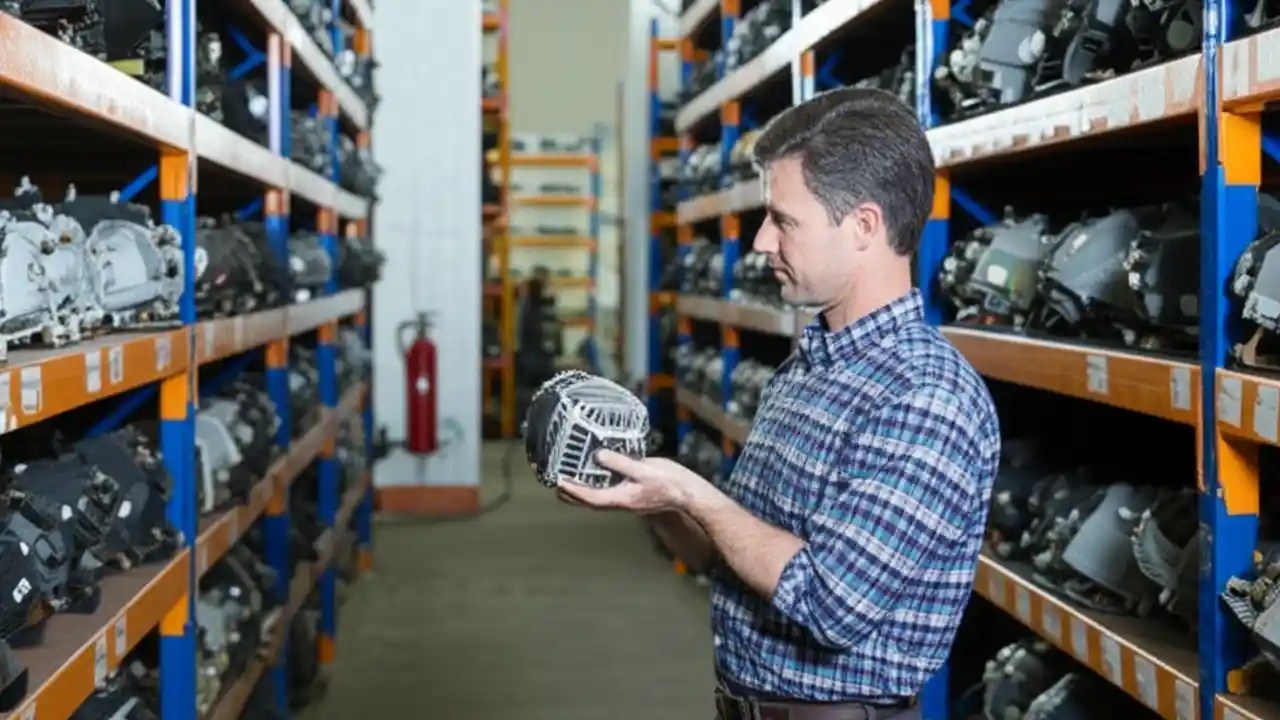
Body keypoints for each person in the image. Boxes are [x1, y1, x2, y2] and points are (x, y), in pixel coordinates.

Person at [556, 87, 1001, 719]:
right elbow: (725, 550)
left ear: (864, 227)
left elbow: (829, 602)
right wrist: (637, 485)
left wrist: (691, 492)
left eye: (783, 219)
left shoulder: (926, 396)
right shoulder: (808, 368)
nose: (762, 241)